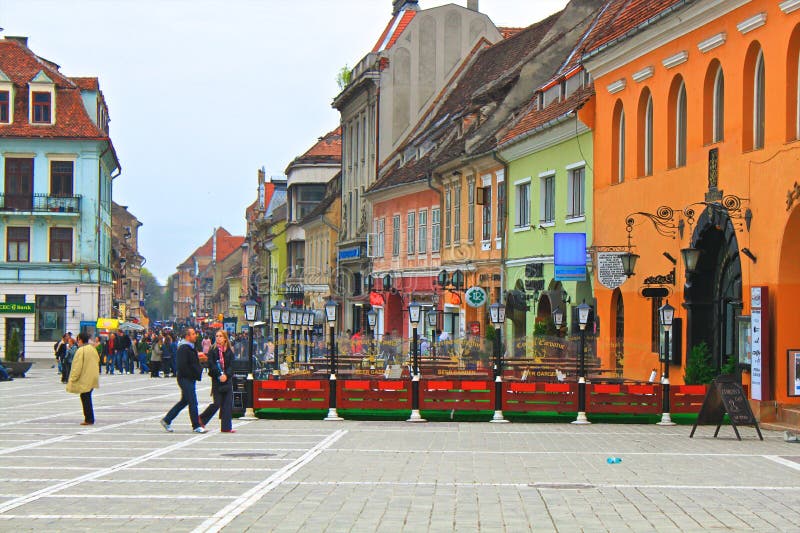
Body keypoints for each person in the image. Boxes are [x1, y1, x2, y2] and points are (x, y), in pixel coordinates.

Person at [160, 328, 206, 433]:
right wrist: (193, 372)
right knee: (193, 402)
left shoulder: (190, 347)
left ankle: (167, 420)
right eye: (193, 334)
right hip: (185, 378)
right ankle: (196, 426)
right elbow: (183, 365)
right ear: (187, 336)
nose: (196, 336)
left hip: (189, 378)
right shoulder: (184, 348)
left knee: (185, 401)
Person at [199, 330, 236, 432]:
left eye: (220, 336)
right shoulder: (213, 350)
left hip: (227, 380)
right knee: (217, 403)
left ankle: (226, 427)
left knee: (227, 404)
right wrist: (219, 375)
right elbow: (211, 364)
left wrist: (226, 375)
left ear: (225, 338)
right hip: (217, 380)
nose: (218, 338)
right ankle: (201, 419)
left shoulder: (229, 351)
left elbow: (232, 366)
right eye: (217, 336)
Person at [66, 332, 100, 425]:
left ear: (80, 340)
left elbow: (77, 366)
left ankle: (89, 419)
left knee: (85, 397)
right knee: (87, 396)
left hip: (85, 378)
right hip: (92, 377)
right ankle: (89, 418)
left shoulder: (81, 351)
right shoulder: (92, 349)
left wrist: (73, 378)